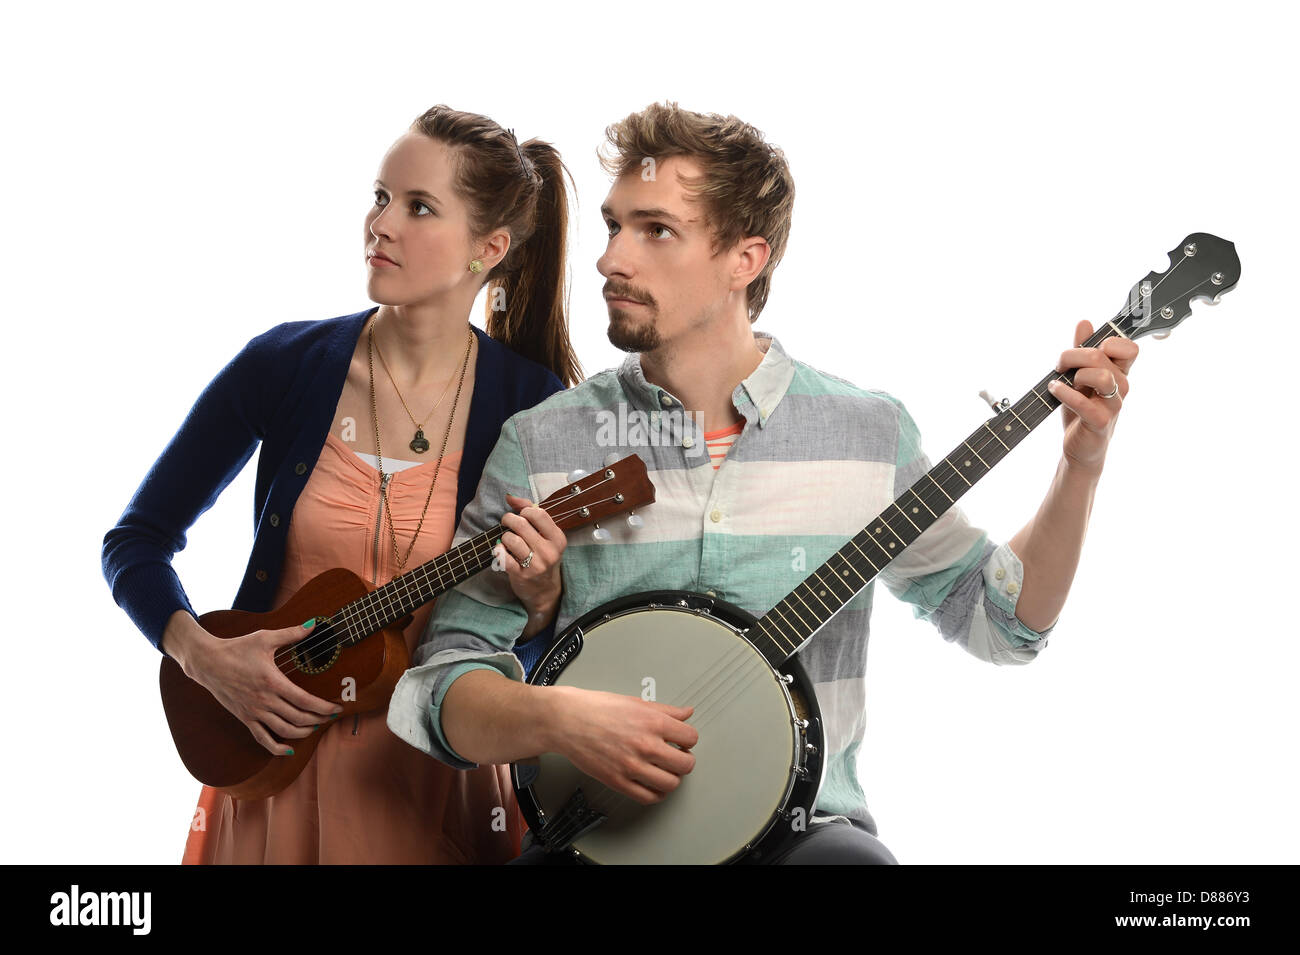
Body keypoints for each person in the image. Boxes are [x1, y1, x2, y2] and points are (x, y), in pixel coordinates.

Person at [386, 102, 1138, 864]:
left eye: (656, 230)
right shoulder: (543, 441)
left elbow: (1002, 624)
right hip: (600, 842)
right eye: (614, 226)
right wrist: (557, 718)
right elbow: (443, 684)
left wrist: (1081, 465)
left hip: (804, 841)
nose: (612, 258)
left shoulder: (866, 435)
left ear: (746, 258)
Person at [101, 104, 580, 864]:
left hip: (431, 783)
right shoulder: (284, 363)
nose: (379, 224)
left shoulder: (534, 404)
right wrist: (203, 656)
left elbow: (559, 650)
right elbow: (135, 541)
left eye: (418, 207)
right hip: (269, 768)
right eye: (381, 195)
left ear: (486, 249)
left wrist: (544, 596)